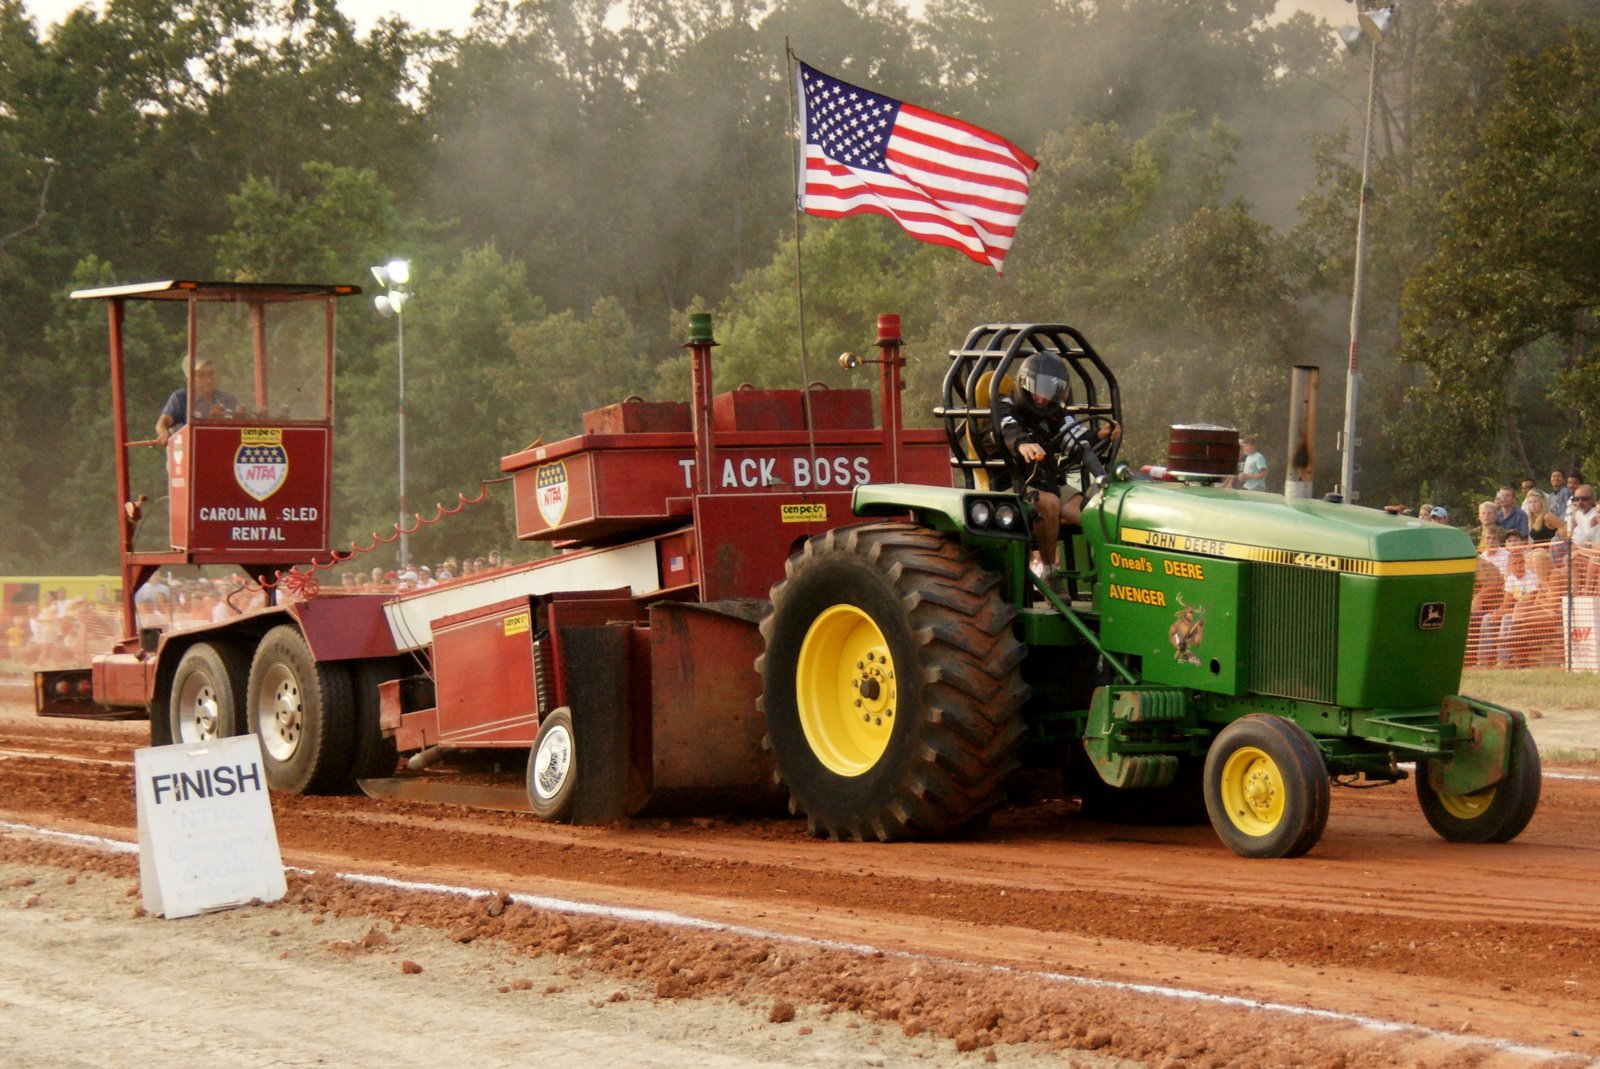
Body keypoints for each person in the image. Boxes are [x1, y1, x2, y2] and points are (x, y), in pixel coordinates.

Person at [998, 350, 1118, 581]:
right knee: (1050, 503)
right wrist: (1023, 445)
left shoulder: (1053, 412)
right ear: (1025, 382)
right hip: (1015, 484)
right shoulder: (1005, 405)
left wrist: (1100, 435)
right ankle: (1049, 572)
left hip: (1049, 482)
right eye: (1039, 390)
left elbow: (1073, 437)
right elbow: (1008, 429)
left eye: (1050, 392)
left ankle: (1107, 575)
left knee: (1091, 513)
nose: (1043, 399)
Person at [154, 359, 239, 444]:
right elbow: (162, 423)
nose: (208, 380)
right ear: (189, 380)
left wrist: (240, 416)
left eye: (211, 374)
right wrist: (164, 433)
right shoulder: (181, 398)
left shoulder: (228, 399)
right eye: (201, 375)